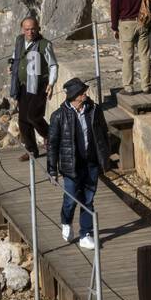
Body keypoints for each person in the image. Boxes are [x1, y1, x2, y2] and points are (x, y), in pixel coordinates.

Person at [46, 77, 111, 251]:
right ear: (75, 96)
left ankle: (86, 234)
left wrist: (105, 158)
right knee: (71, 198)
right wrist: (52, 170)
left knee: (88, 200)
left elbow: (103, 133)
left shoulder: (94, 110)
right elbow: (52, 145)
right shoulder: (58, 116)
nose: (85, 95)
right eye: (82, 93)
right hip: (70, 166)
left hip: (91, 163)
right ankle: (66, 221)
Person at [8, 16, 57, 163]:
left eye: (33, 29)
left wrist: (51, 83)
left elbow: (53, 65)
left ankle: (50, 137)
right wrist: (11, 65)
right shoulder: (19, 40)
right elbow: (16, 55)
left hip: (39, 85)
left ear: (38, 28)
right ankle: (31, 150)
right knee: (23, 120)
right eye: (27, 29)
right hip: (22, 84)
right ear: (23, 29)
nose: (30, 32)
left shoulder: (44, 44)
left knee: (33, 116)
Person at [110, 0, 151, 95]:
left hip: (126, 24)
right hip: (143, 22)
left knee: (128, 57)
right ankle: (146, 86)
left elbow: (114, 10)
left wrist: (114, 27)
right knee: (145, 55)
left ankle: (128, 87)